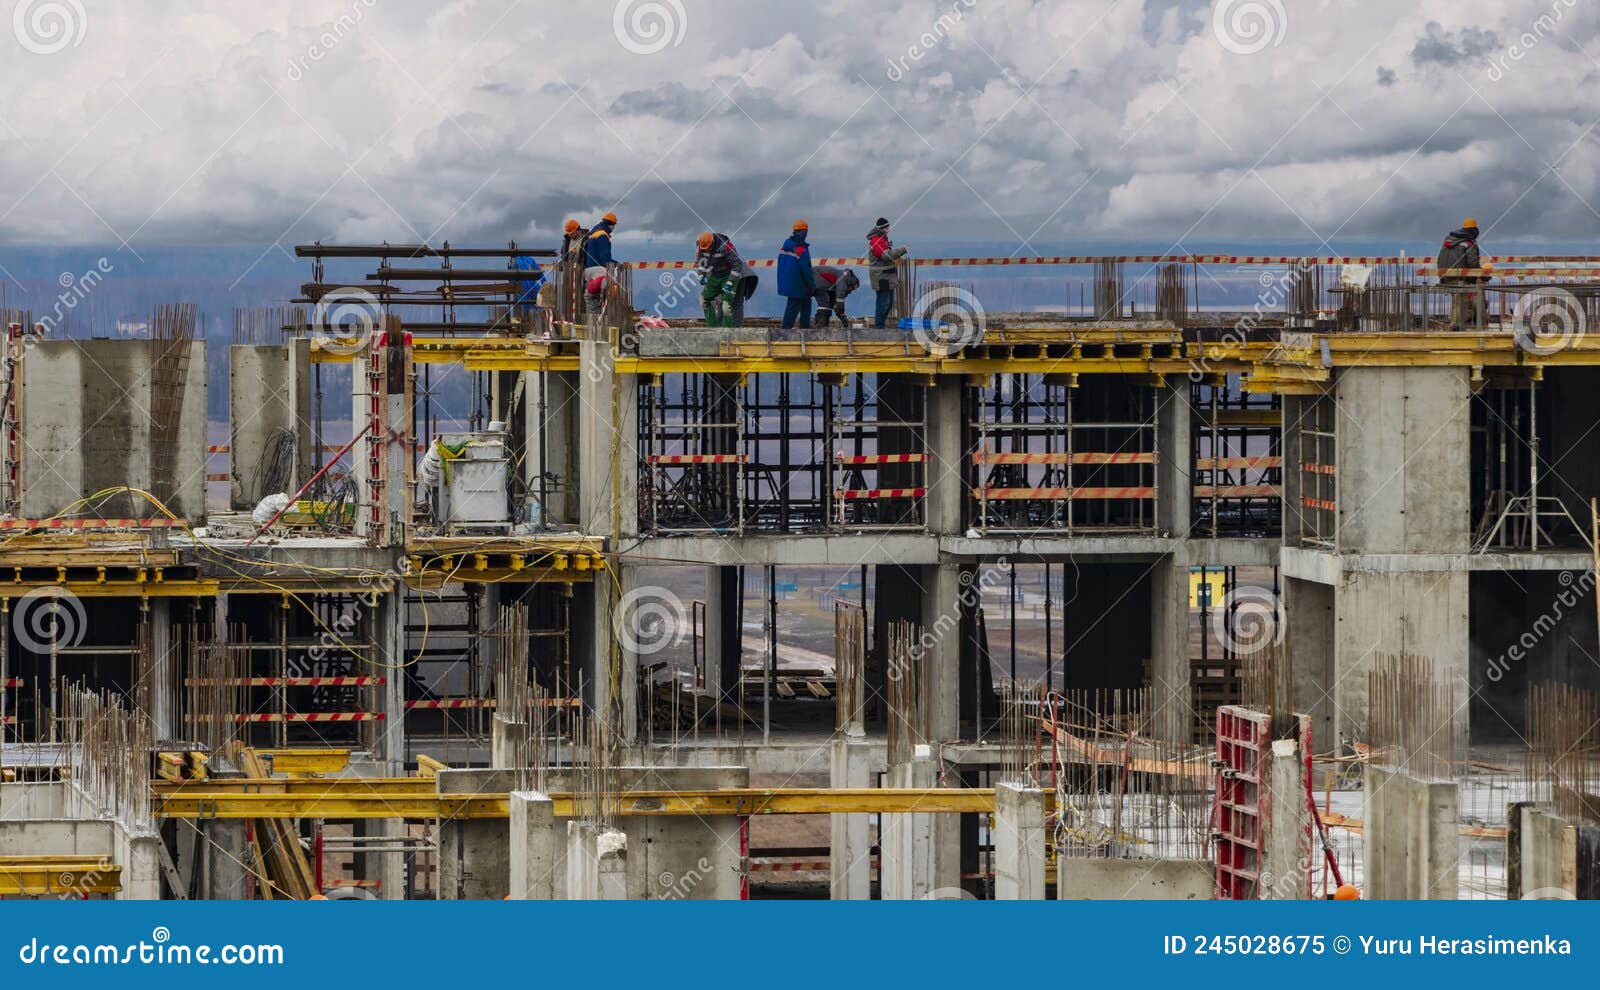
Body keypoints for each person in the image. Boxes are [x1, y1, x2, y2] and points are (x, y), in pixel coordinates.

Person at [695, 231, 758, 327]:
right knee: (718, 302)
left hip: (738, 274)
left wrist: (730, 282)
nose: (706, 251)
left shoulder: (725, 246)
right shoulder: (701, 247)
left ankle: (734, 332)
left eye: (708, 248)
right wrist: (700, 274)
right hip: (720, 275)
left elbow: (737, 265)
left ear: (712, 243)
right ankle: (716, 329)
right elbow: (701, 263)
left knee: (734, 304)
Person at [1437, 217, 1487, 330]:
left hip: (1446, 276)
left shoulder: (1448, 240)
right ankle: (1456, 327)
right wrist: (1482, 275)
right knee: (1462, 302)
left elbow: (1440, 258)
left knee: (1457, 301)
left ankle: (1455, 324)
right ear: (1474, 230)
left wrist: (1442, 275)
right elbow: (1473, 263)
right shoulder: (1469, 243)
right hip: (1461, 277)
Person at [867, 217, 908, 328]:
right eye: (887, 227)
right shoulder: (876, 241)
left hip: (886, 277)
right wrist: (901, 250)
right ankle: (879, 327)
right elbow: (886, 255)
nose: (889, 229)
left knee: (888, 303)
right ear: (882, 228)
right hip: (882, 278)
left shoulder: (881, 239)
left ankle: (880, 326)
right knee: (883, 303)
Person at [777, 220, 816, 329]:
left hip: (789, 283)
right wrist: (812, 285)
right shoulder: (800, 248)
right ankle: (798, 333)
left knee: (792, 308)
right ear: (803, 231)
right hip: (800, 285)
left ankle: (786, 332)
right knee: (804, 308)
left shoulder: (785, 246)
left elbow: (782, 264)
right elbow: (806, 269)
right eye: (806, 231)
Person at [583, 211, 618, 314]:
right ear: (611, 224)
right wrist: (616, 264)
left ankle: (594, 317)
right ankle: (604, 317)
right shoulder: (603, 235)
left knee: (593, 297)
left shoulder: (593, 233)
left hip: (588, 270)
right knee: (610, 292)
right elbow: (605, 258)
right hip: (598, 271)